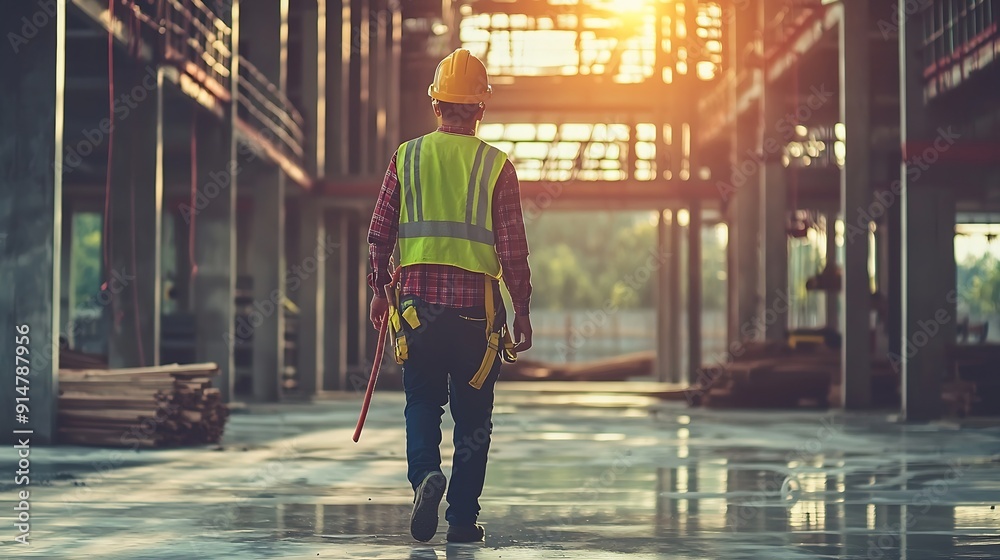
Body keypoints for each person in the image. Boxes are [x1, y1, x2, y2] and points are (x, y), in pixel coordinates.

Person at [367, 48, 533, 543]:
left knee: (421, 402)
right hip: (476, 319)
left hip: (417, 310)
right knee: (473, 419)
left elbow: (379, 233)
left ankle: (424, 478)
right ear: (481, 109)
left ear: (435, 104)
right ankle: (461, 520)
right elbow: (513, 247)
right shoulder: (496, 166)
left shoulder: (407, 156)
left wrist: (379, 291)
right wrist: (521, 308)